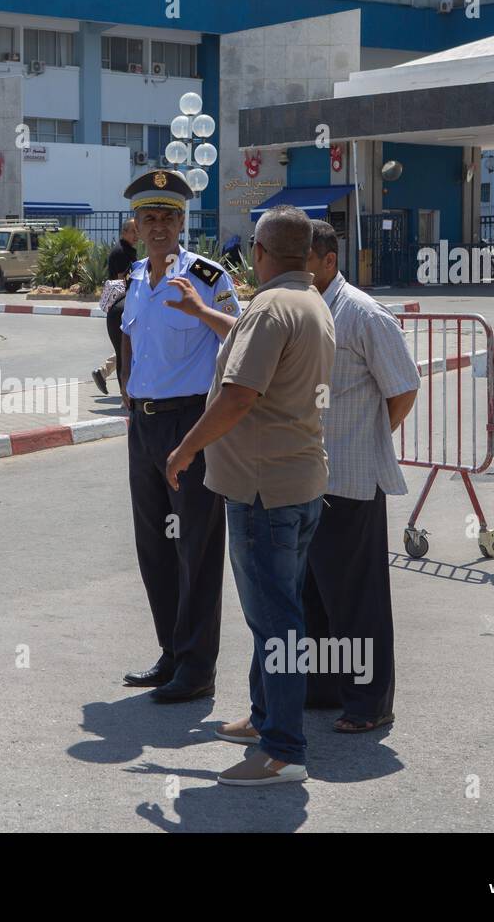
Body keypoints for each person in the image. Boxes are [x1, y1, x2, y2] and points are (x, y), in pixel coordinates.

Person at [166, 204, 335, 785]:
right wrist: (203, 311)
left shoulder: (269, 308)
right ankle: (267, 720)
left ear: (259, 253)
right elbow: (245, 344)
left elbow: (238, 396)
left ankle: (284, 751)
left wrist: (184, 449)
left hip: (265, 491)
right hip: (298, 480)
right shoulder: (310, 300)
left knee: (276, 622)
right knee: (281, 610)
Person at [119, 170, 241, 704]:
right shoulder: (134, 279)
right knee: (155, 545)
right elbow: (129, 342)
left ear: (182, 221)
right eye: (151, 217)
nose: (160, 226)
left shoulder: (209, 277)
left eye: (169, 216)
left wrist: (201, 310)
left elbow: (242, 337)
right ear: (138, 225)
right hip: (142, 424)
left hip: (190, 422)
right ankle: (171, 651)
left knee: (196, 543)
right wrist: (127, 395)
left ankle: (197, 668)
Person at [300, 220, 418, 733]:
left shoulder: (363, 314)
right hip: (305, 479)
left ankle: (370, 704)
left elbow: (404, 387)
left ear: (328, 260)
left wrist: (369, 437)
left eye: (300, 260)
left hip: (350, 477)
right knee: (315, 597)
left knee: (356, 600)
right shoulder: (303, 312)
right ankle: (324, 690)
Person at [93, 219, 139, 394]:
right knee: (124, 352)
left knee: (129, 350)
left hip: (125, 304)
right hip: (122, 306)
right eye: (133, 231)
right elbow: (123, 279)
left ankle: (104, 373)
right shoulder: (121, 252)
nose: (136, 235)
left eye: (138, 231)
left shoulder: (128, 250)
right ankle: (124, 394)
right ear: (124, 232)